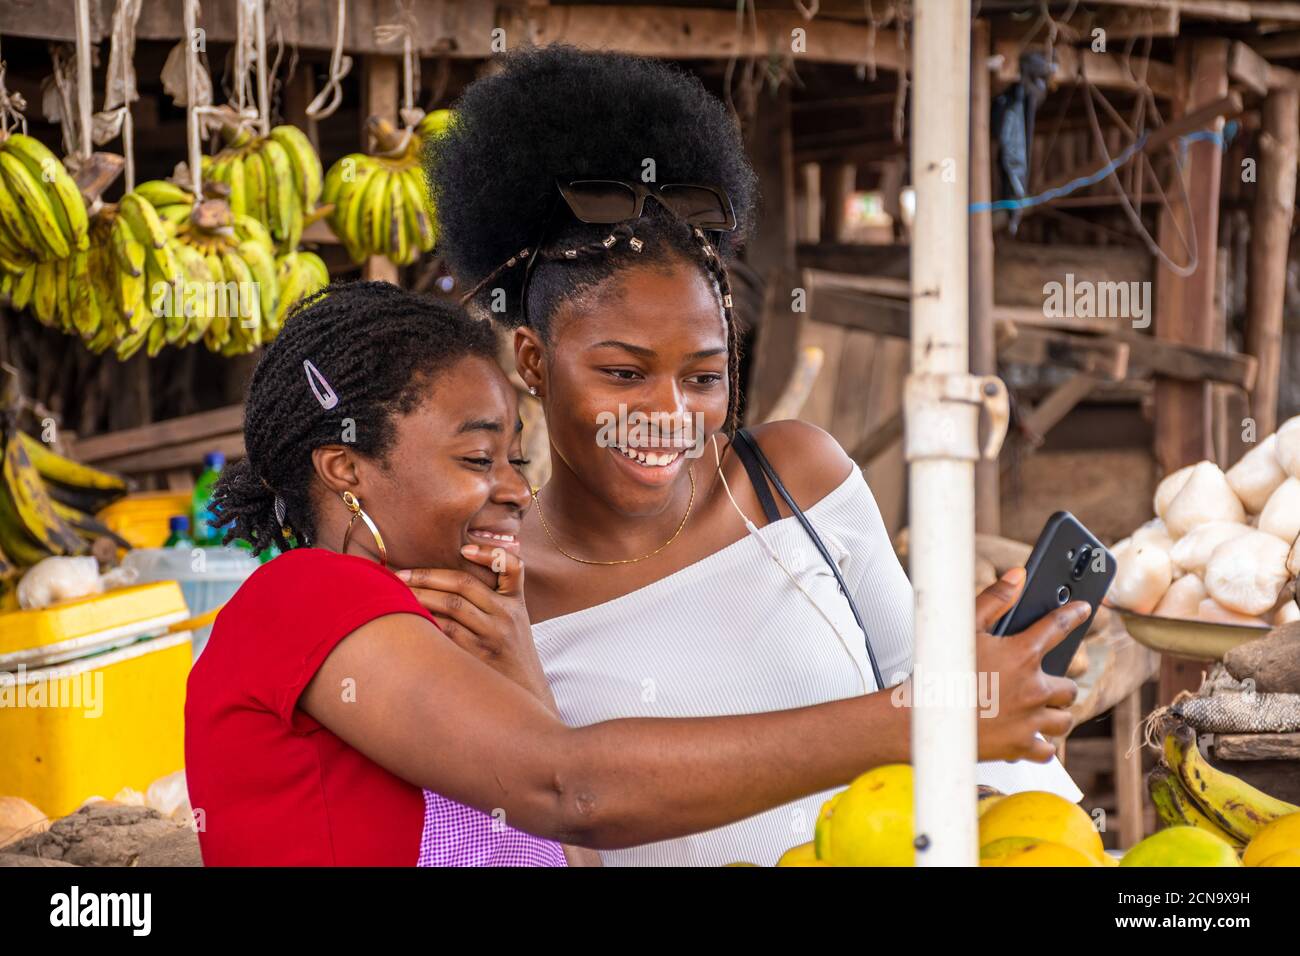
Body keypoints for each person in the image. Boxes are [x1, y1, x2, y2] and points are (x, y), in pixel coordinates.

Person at [424, 45, 1085, 867]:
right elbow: (564, 811)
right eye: (624, 373)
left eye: (703, 375)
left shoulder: (794, 481)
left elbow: (964, 736)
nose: (669, 415)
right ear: (530, 362)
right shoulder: (492, 595)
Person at [184, 281, 1083, 867]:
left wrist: (520, 668)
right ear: (345, 471)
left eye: (514, 457)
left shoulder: (439, 635)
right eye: (477, 459)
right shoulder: (307, 594)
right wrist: (918, 719)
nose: (512, 490)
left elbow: (565, 845)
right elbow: (573, 790)